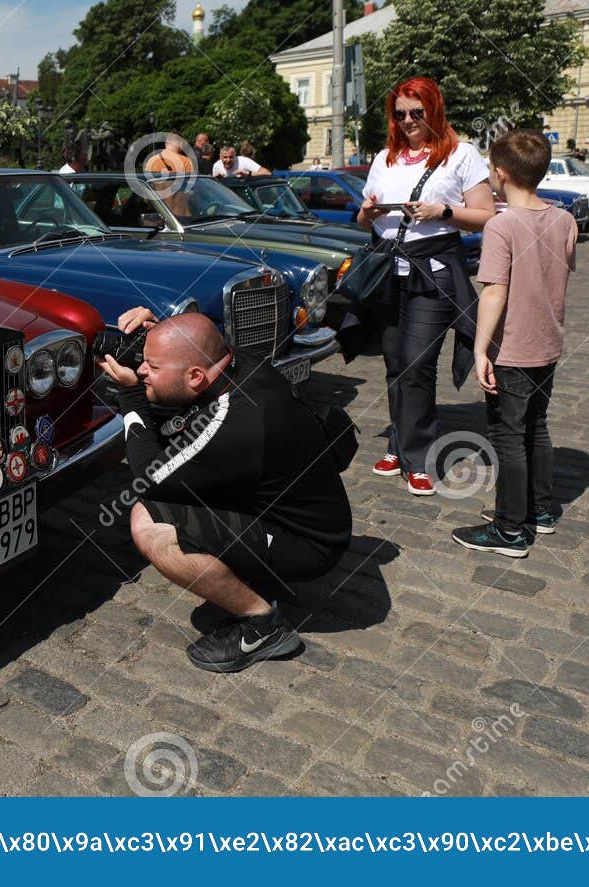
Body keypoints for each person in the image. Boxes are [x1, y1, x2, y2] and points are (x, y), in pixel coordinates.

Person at [99, 308, 352, 672]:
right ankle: (250, 576)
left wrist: (131, 397)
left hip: (307, 545)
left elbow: (148, 475)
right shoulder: (241, 364)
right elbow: (201, 346)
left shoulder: (234, 422)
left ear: (196, 375)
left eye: (152, 367)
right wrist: (166, 333)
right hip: (304, 513)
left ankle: (262, 624)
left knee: (149, 522)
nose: (140, 371)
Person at [356, 76, 497, 495]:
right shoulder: (384, 158)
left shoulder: (462, 155)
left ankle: (418, 456)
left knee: (418, 364)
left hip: (433, 271)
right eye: (399, 114)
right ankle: (399, 445)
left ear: (434, 110)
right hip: (388, 272)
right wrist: (366, 212)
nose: (407, 121)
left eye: (416, 113)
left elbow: (487, 214)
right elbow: (365, 222)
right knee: (396, 363)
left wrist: (443, 211)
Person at [451, 131, 576, 558]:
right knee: (536, 427)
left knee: (507, 435)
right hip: (548, 342)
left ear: (500, 175)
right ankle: (539, 510)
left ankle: (510, 529)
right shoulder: (565, 220)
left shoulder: (501, 226)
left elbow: (494, 292)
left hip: (514, 348)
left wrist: (481, 349)